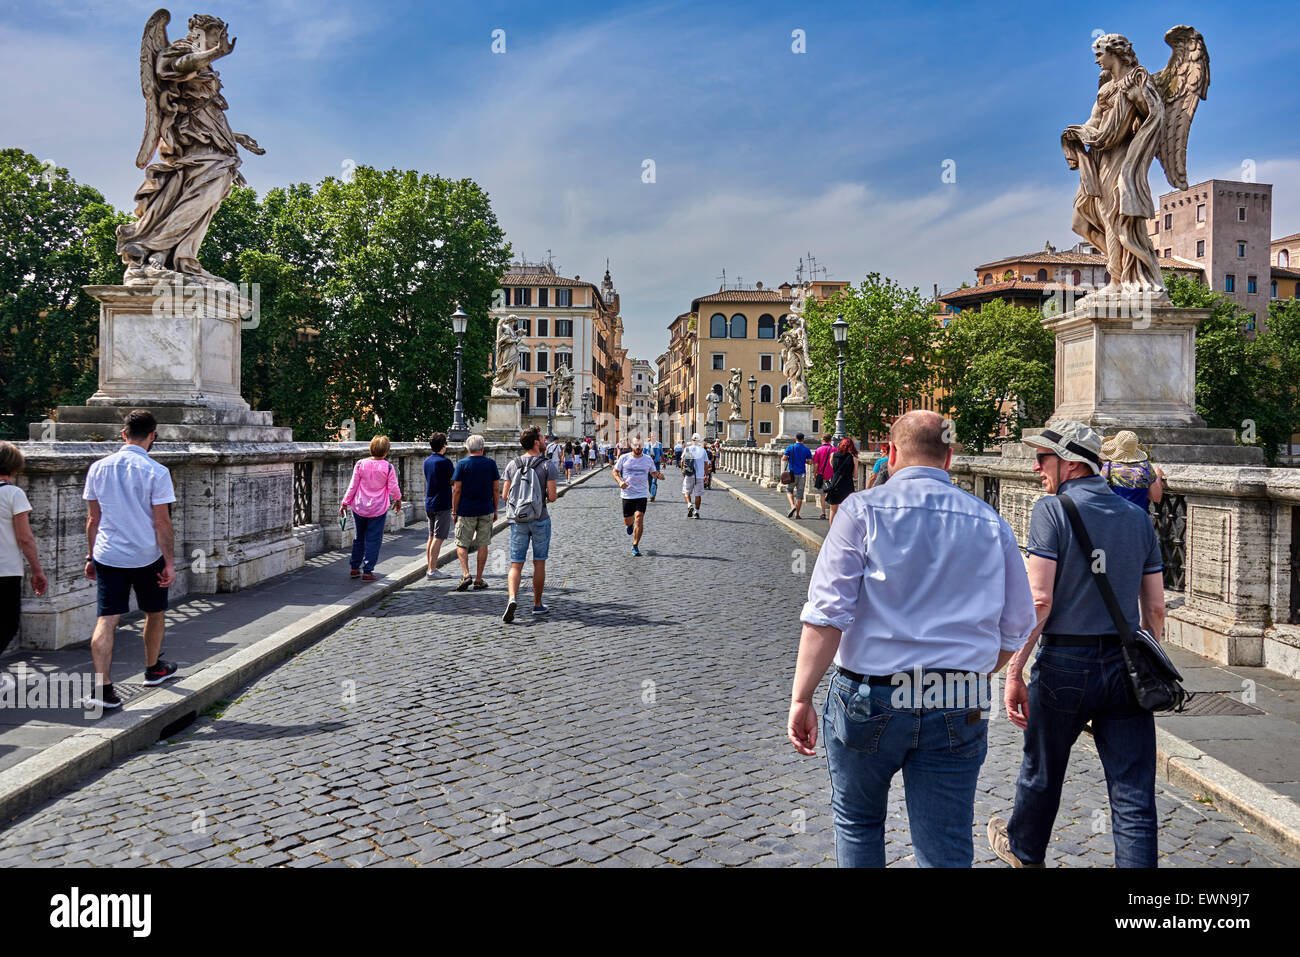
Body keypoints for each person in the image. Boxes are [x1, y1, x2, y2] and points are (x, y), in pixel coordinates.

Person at [789, 410, 1036, 868]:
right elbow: (1017, 625)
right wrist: (974, 671)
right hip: (959, 697)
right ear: (950, 457)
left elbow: (827, 615)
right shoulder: (989, 521)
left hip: (869, 694)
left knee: (858, 823)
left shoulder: (861, 511)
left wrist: (801, 696)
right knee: (945, 839)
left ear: (890, 452)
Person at [988, 421, 1166, 869]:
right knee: (1133, 793)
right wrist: (1148, 663)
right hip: (1126, 665)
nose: (1035, 467)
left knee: (1043, 770)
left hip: (1066, 662)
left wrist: (1014, 669)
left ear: (1069, 462)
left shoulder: (1051, 510)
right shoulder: (1137, 517)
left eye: (1043, 458)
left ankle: (1025, 852)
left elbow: (1040, 600)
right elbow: (1157, 609)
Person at [81, 410, 180, 710]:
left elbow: (93, 519)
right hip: (146, 555)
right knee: (154, 612)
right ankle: (153, 669)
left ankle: (103, 688)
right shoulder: (157, 471)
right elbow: (162, 523)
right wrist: (170, 562)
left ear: (123, 434)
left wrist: (90, 555)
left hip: (108, 554)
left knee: (107, 619)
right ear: (153, 435)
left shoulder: (98, 468)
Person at [0, 442, 48, 696]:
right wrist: (37, 571)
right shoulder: (13, 494)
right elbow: (26, 538)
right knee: (7, 624)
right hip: (5, 569)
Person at [501, 427, 559, 622]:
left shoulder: (512, 464)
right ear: (536, 442)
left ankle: (512, 598)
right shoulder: (547, 465)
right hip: (540, 518)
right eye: (542, 438)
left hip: (518, 520)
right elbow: (552, 497)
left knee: (516, 563)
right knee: (539, 562)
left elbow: (504, 495)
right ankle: (537, 604)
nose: (544, 440)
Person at [340, 435, 402, 582]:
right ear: (386, 451)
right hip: (378, 508)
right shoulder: (388, 467)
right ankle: (368, 571)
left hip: (359, 506)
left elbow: (353, 485)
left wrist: (344, 503)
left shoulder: (361, 464)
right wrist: (398, 499)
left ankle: (354, 568)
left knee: (358, 537)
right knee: (373, 540)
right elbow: (393, 487)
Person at [450, 434, 500, 591]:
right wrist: (496, 509)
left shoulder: (462, 464)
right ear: (483, 448)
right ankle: (478, 579)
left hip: (466, 510)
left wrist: (454, 511)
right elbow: (496, 489)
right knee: (483, 543)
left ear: (467, 448)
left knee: (461, 543)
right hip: (486, 509)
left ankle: (466, 575)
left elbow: (457, 490)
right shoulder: (491, 464)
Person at [613, 436, 662, 556]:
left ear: (643, 446)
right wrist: (620, 482)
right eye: (636, 445)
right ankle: (629, 525)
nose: (638, 447)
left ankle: (635, 545)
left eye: (640, 445)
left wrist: (658, 475)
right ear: (631, 445)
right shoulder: (624, 458)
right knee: (628, 521)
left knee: (639, 519)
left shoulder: (648, 459)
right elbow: (615, 472)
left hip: (641, 494)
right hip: (627, 494)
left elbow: (653, 472)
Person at [1100, 430, 1164, 511]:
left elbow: (1099, 494)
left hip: (1115, 518)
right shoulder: (1145, 467)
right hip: (1138, 518)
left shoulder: (1108, 467)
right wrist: (1158, 475)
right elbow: (1156, 497)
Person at [422, 432, 455, 580]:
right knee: (439, 537)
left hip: (429, 502)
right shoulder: (445, 462)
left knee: (431, 537)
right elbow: (453, 480)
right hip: (442, 502)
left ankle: (430, 567)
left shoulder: (427, 461)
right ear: (443, 446)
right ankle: (432, 570)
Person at [823, 436, 859, 526]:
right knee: (846, 511)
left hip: (835, 484)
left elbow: (833, 468)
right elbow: (855, 475)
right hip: (847, 485)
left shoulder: (833, 455)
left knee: (833, 510)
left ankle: (832, 532)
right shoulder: (853, 458)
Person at [781, 432, 814, 519]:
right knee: (800, 494)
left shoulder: (790, 447)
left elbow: (784, 458)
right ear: (803, 439)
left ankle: (792, 506)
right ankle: (797, 514)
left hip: (792, 473)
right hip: (802, 473)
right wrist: (804, 461)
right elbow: (810, 462)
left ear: (795, 439)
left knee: (789, 490)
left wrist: (790, 458)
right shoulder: (807, 449)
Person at [680, 433, 710, 520]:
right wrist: (706, 475)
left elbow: (682, 461)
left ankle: (689, 505)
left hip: (689, 474)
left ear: (692, 440)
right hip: (700, 475)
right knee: (698, 494)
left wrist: (683, 471)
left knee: (686, 492)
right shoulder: (703, 450)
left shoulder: (687, 449)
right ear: (699, 441)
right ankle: (697, 512)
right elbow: (706, 463)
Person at [811, 433, 835, 520]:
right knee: (833, 494)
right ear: (830, 440)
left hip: (821, 475)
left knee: (822, 495)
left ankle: (823, 513)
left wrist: (814, 474)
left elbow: (816, 464)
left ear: (822, 440)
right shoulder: (835, 449)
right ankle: (833, 513)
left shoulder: (818, 450)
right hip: (832, 475)